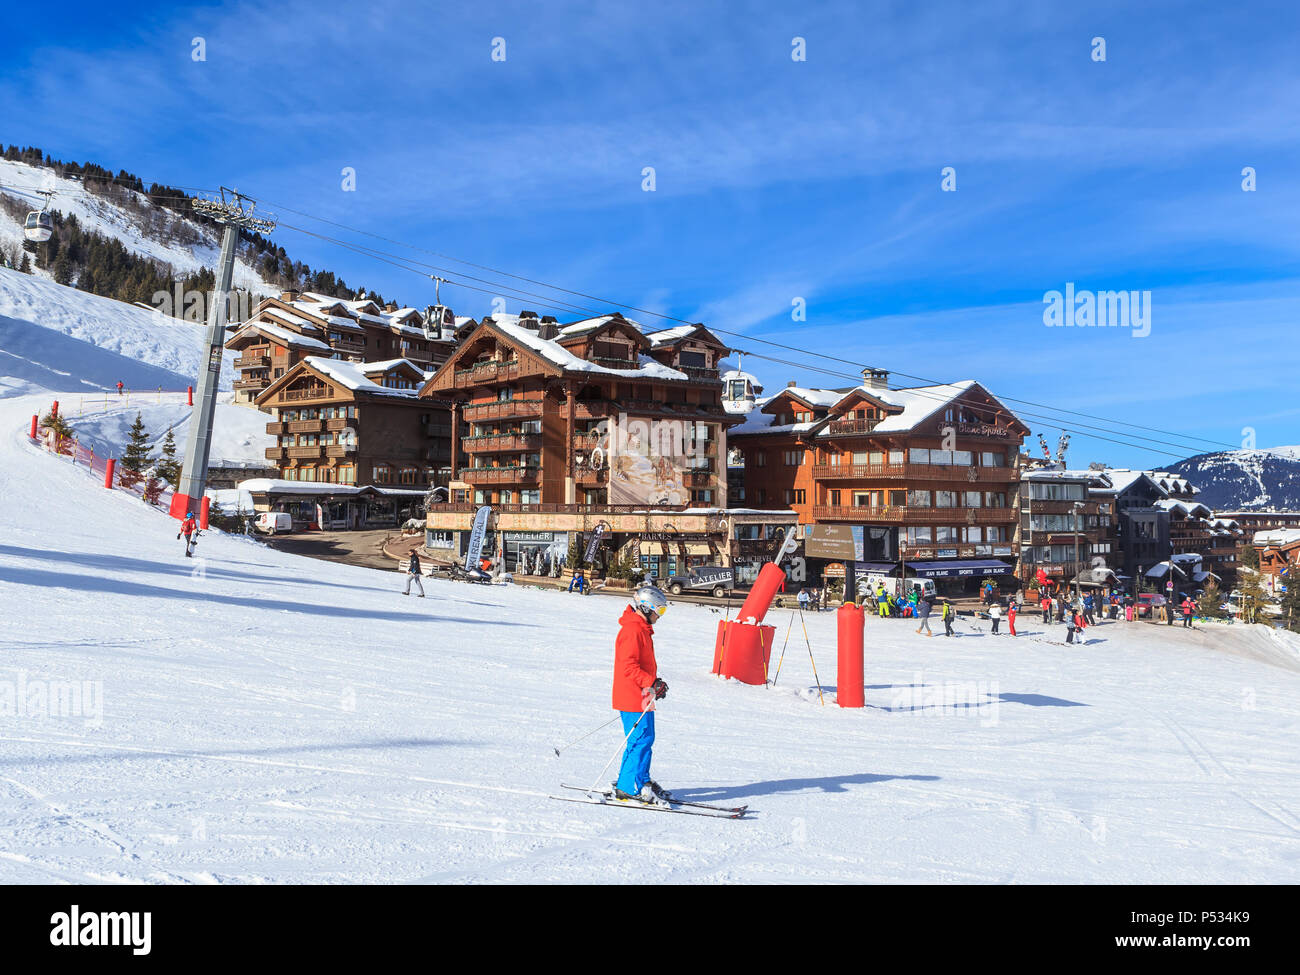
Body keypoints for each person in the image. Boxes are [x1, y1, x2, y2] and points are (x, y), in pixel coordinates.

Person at [612, 586, 670, 804]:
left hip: (643, 693)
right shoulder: (632, 630)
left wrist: (655, 685)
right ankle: (628, 787)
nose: (659, 616)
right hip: (632, 694)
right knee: (639, 740)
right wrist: (651, 682)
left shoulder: (641, 628)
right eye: (659, 611)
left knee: (646, 739)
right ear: (647, 607)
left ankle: (642, 780)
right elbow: (628, 667)